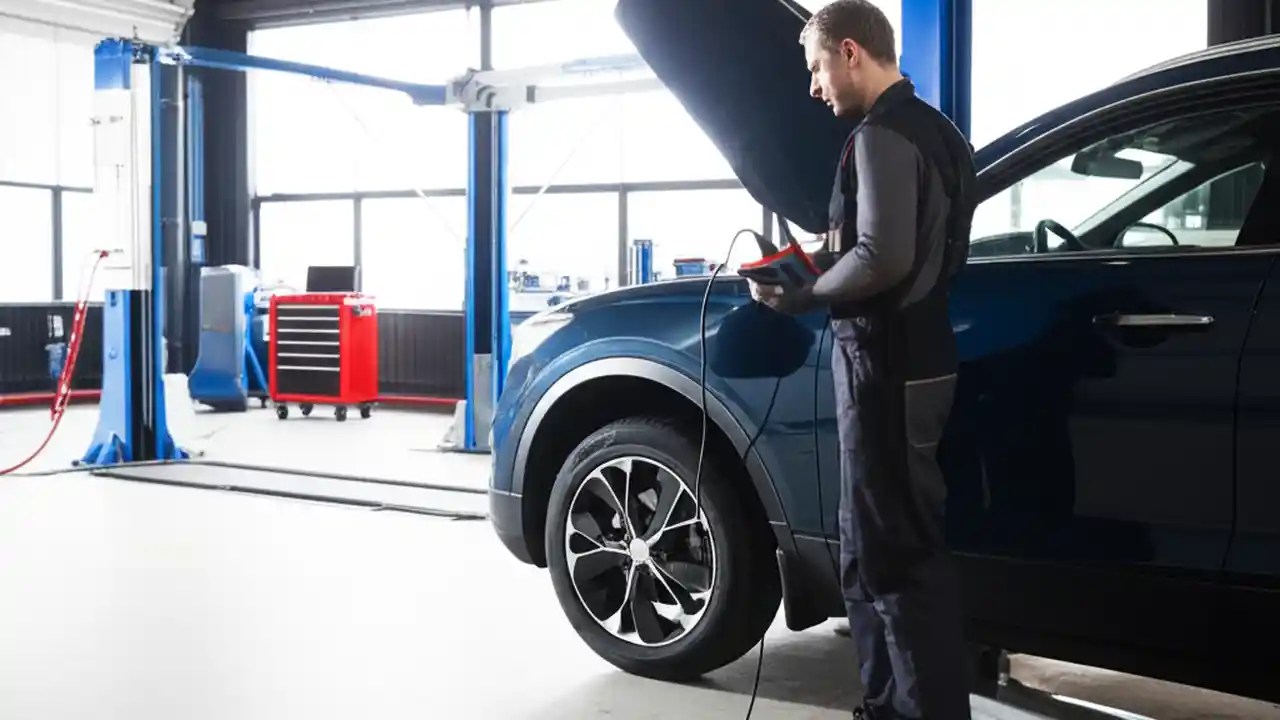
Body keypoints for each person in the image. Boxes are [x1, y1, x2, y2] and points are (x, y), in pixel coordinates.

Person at [750, 1, 978, 718]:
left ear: (851, 52)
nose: (816, 87)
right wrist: (815, 262)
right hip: (924, 354)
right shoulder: (940, 133)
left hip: (885, 365)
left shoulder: (880, 136)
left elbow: (882, 257)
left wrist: (806, 293)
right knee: (872, 543)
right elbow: (894, 246)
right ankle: (886, 703)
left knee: (895, 555)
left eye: (818, 68)